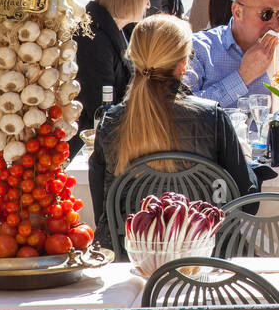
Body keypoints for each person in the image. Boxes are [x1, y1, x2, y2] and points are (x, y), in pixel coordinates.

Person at [88, 15, 258, 256]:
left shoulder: (111, 122)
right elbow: (247, 202)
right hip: (204, 256)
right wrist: (250, 164)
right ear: (183, 65)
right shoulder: (211, 117)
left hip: (131, 256)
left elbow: (103, 208)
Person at [73, 0, 153, 157]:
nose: (149, 4)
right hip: (89, 145)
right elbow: (99, 106)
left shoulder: (117, 27)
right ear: (127, 0)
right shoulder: (93, 38)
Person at [184, 0, 279, 108]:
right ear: (238, 12)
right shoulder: (199, 48)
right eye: (267, 14)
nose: (276, 25)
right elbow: (185, 109)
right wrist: (243, 77)